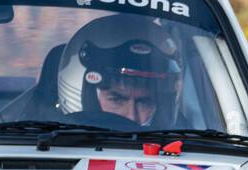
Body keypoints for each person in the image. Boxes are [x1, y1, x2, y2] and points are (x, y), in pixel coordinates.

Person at [56, 15, 184, 129]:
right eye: (116, 100)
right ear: (87, 96)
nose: (132, 117)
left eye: (144, 102)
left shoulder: (188, 141)